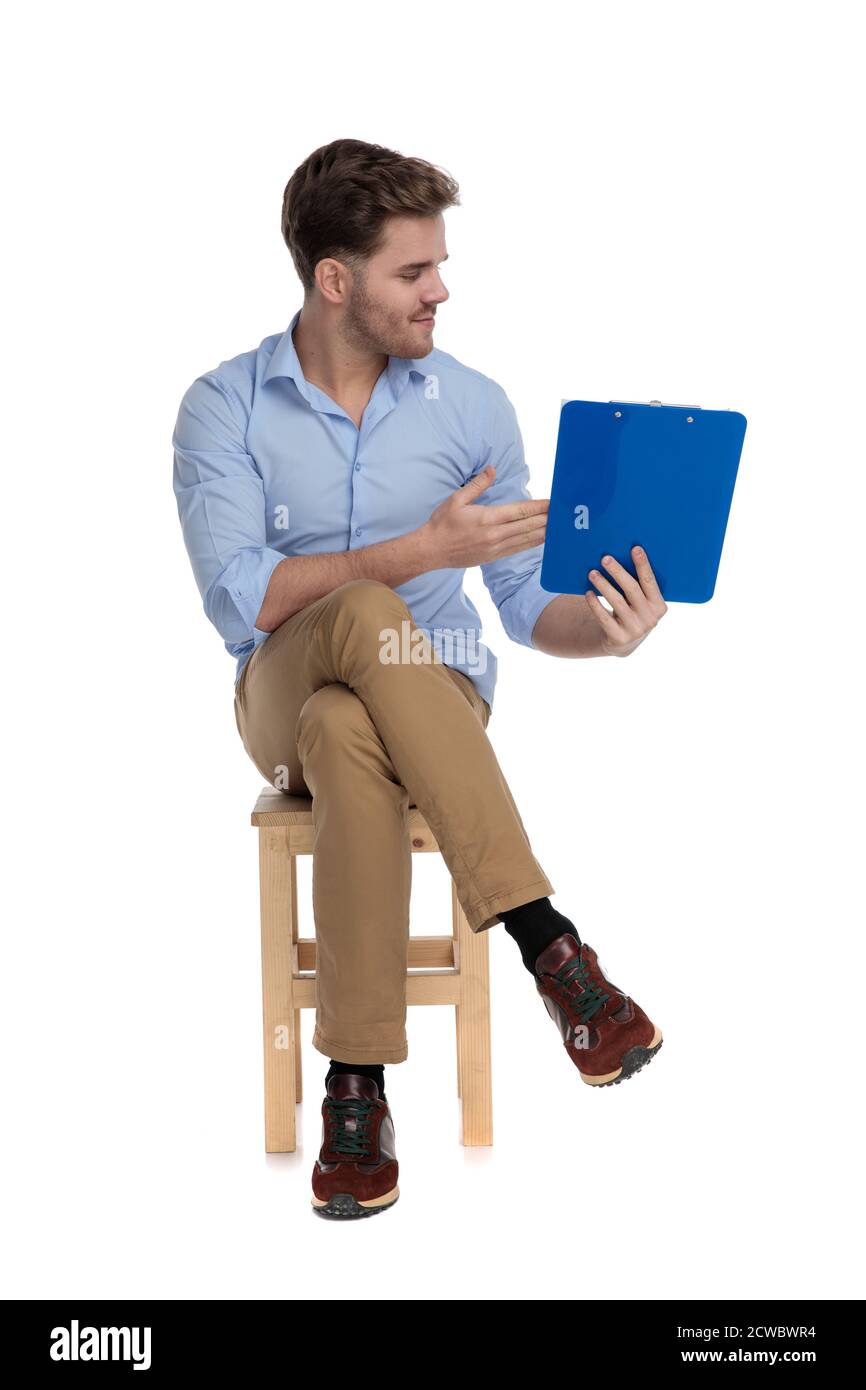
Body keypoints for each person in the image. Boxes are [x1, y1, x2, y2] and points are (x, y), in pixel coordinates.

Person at [172, 138, 668, 1220]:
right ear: (333, 280)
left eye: (440, 264)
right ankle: (551, 947)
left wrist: (611, 628)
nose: (440, 289)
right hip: (278, 696)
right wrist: (408, 556)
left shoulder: (472, 407)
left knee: (360, 731)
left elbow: (530, 608)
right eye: (413, 271)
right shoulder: (223, 408)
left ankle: (355, 1093)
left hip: (430, 693)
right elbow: (240, 600)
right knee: (354, 616)